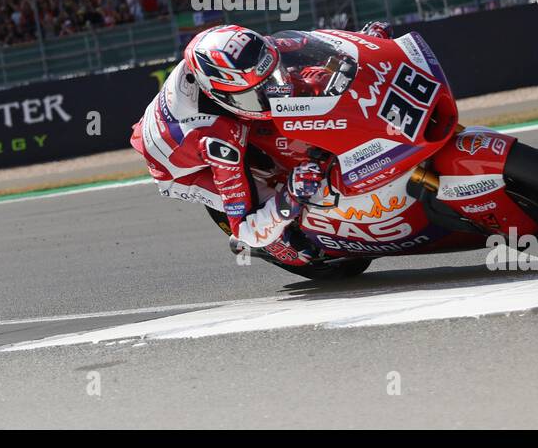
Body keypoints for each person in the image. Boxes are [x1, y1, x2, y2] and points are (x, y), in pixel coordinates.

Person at [130, 21, 393, 266]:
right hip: (180, 169)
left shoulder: (247, 55)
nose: (272, 90)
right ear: (224, 97)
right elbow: (245, 226)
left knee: (310, 80)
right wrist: (290, 195)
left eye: (271, 77)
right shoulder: (219, 140)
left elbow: (310, 42)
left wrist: (361, 41)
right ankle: (282, 246)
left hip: (206, 111)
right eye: (257, 94)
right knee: (271, 217)